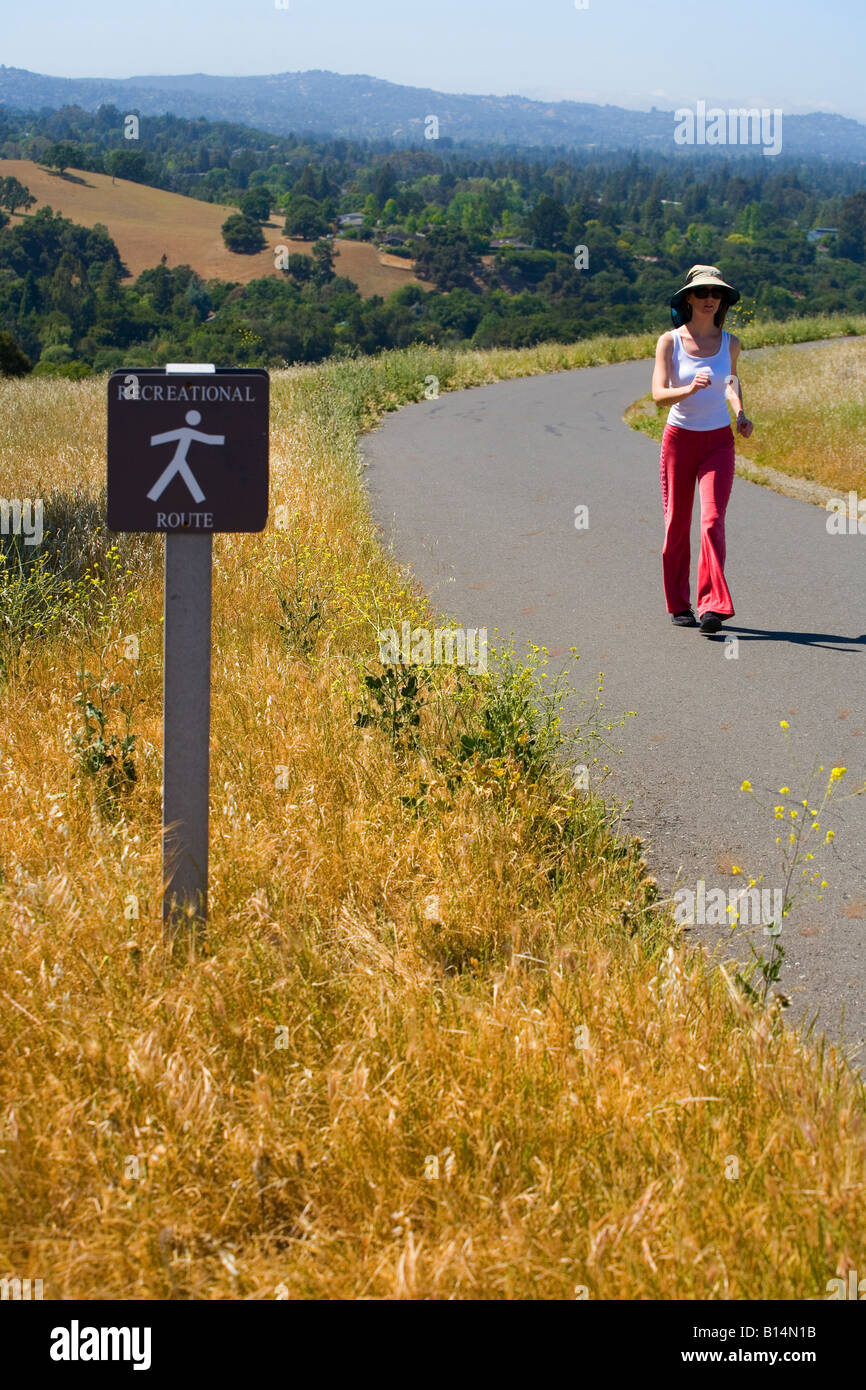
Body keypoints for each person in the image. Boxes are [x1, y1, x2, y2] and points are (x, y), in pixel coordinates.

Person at [651, 265, 754, 634]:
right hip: (679, 440)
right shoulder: (670, 341)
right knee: (677, 524)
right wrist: (689, 389)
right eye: (702, 293)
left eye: (716, 293)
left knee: (712, 521)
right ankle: (679, 604)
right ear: (689, 298)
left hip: (718, 442)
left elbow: (731, 381)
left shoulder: (731, 343)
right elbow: (658, 395)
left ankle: (712, 606)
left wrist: (740, 412)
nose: (710, 299)